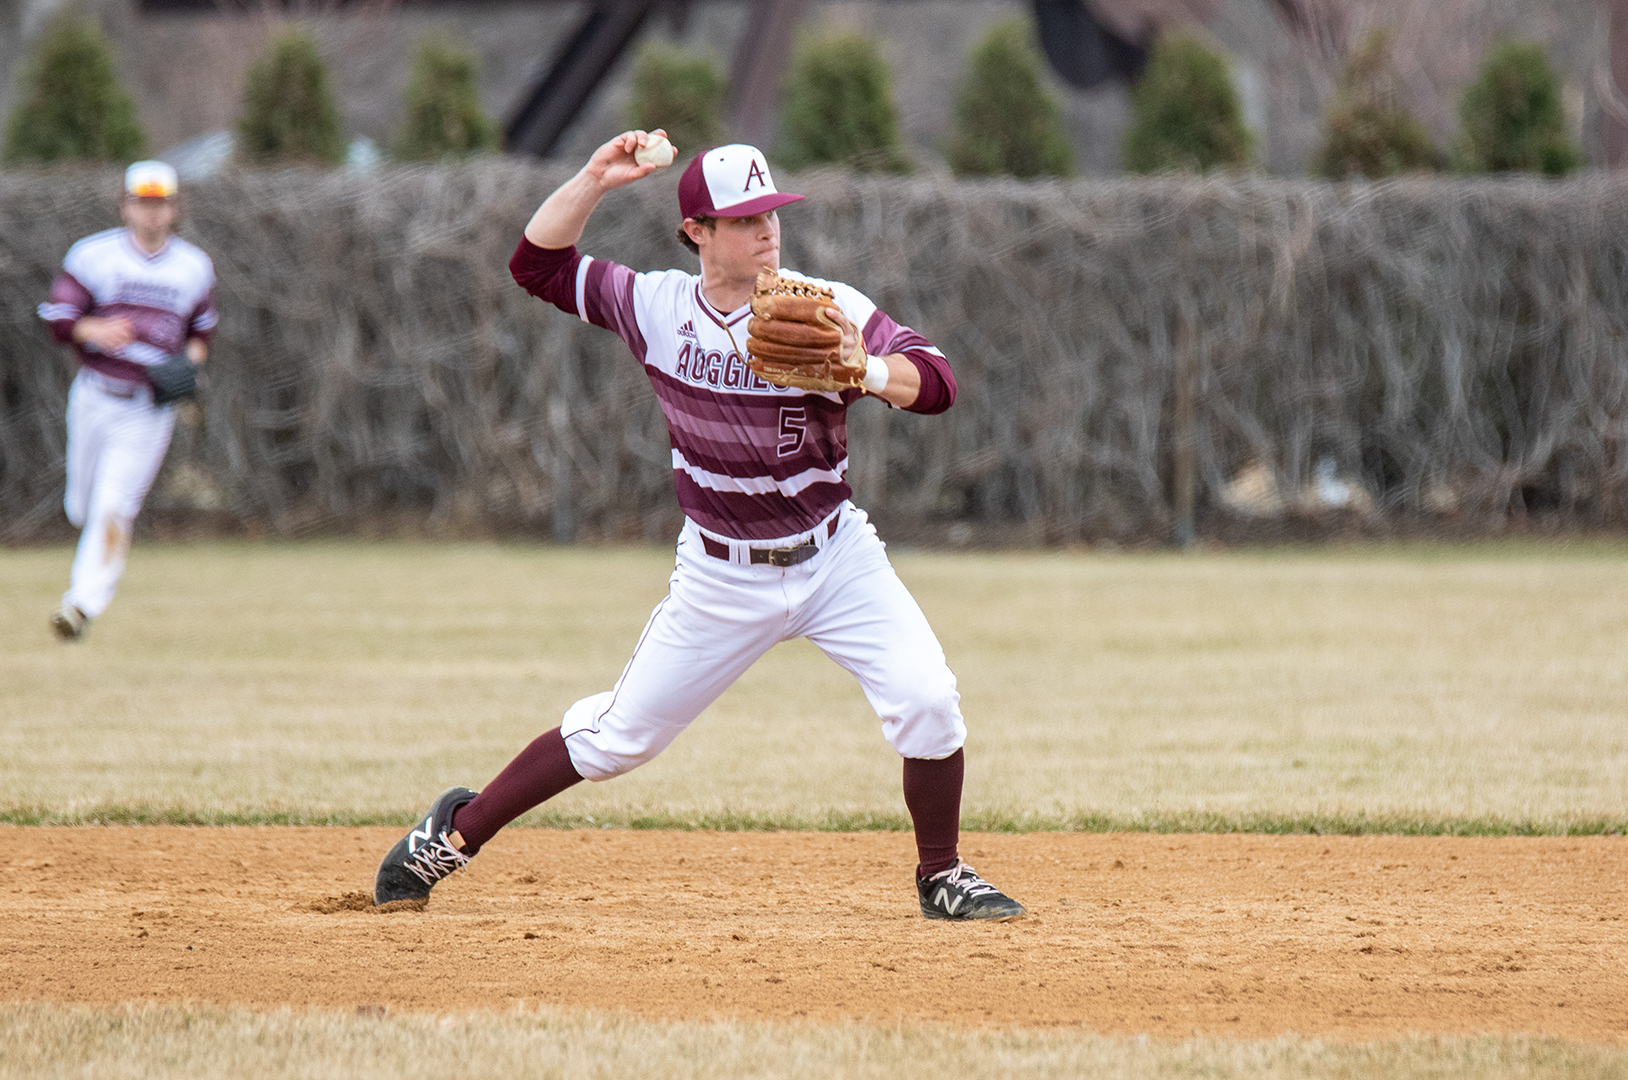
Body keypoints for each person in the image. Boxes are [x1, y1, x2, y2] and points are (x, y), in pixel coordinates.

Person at [373, 133, 1025, 922]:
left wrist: (868, 371)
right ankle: (455, 831)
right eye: (743, 219)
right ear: (697, 233)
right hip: (722, 574)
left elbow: (942, 382)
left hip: (834, 556)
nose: (767, 231)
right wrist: (592, 180)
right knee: (619, 740)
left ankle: (941, 874)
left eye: (771, 214)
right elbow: (535, 267)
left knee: (929, 701)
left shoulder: (826, 309)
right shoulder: (655, 307)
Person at [38, 160, 216, 641]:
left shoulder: (193, 266)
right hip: (96, 395)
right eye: (142, 202)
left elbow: (201, 332)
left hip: (146, 408)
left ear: (174, 209)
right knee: (84, 506)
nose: (152, 214)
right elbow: (58, 317)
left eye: (160, 204)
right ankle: (86, 568)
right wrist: (92, 327)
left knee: (115, 506)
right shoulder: (93, 256)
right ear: (125, 205)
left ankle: (81, 605)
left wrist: (190, 366)